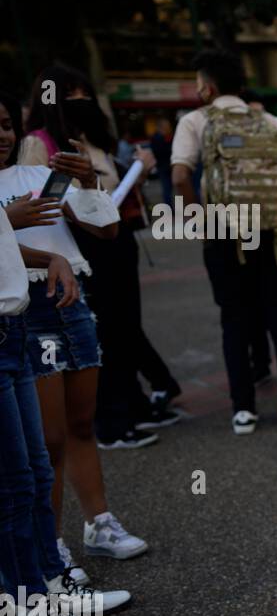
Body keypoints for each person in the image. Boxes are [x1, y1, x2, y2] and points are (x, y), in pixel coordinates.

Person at [0, 91, 151, 578]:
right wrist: (8, 221)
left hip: (72, 305)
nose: (2, 135)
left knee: (84, 425)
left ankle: (99, 524)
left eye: (5, 124)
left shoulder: (37, 176)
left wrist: (87, 181)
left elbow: (104, 230)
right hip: (27, 313)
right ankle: (52, 549)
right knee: (49, 440)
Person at [21, 65, 181, 450]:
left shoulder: (92, 141)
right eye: (72, 96)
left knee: (126, 327)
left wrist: (136, 173)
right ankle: (111, 421)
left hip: (115, 241)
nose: (82, 103)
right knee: (102, 331)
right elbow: (37, 200)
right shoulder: (39, 143)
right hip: (79, 246)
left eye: (85, 95)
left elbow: (109, 195)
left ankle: (135, 406)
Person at [0, 202, 128, 616]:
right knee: (14, 488)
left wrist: (48, 256)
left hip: (12, 328)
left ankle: (52, 586)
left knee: (33, 474)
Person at [171, 50, 277, 436]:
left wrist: (198, 222)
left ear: (209, 88)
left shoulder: (195, 121)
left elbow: (178, 178)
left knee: (235, 320)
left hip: (225, 233)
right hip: (272, 232)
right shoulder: (270, 122)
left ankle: (243, 411)